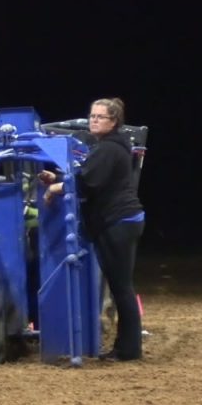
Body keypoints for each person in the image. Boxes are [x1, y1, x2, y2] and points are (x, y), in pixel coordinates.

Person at [38, 97, 145, 361]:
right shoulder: (109, 146)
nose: (94, 120)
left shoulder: (108, 148)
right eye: (92, 116)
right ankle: (127, 347)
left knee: (121, 287)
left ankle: (129, 349)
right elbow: (88, 177)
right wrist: (59, 178)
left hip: (118, 222)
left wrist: (55, 187)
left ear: (114, 121)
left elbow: (87, 183)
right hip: (123, 220)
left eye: (100, 117)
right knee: (121, 286)